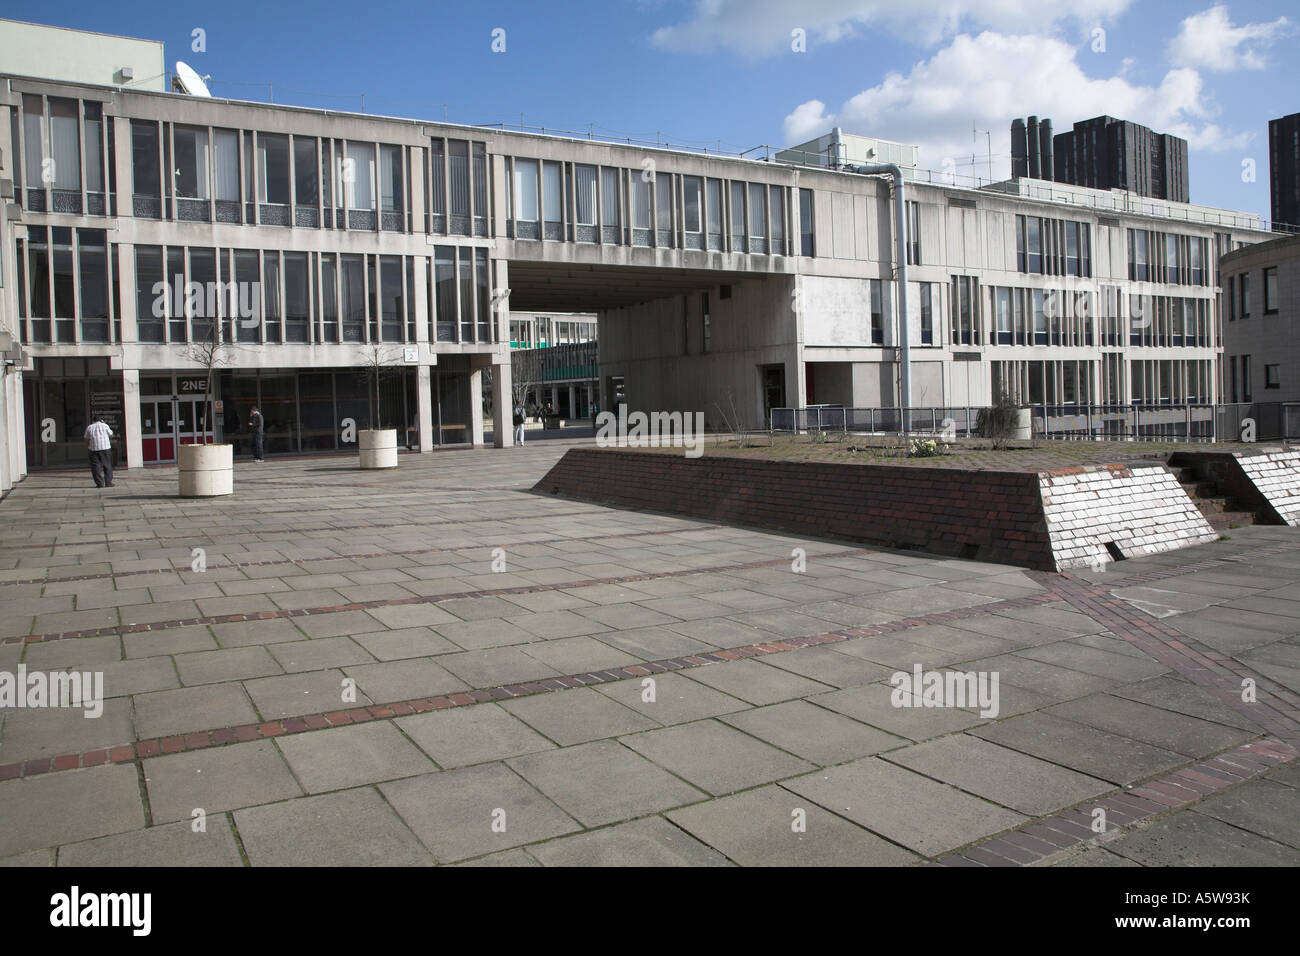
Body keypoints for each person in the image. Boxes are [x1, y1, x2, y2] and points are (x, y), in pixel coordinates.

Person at [84, 417, 114, 488]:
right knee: (107, 465)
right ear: (100, 420)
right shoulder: (105, 425)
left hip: (93, 449)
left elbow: (86, 439)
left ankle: (99, 484)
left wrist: (88, 446)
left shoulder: (89, 427)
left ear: (93, 421)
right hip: (105, 448)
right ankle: (108, 483)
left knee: (96, 467)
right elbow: (111, 435)